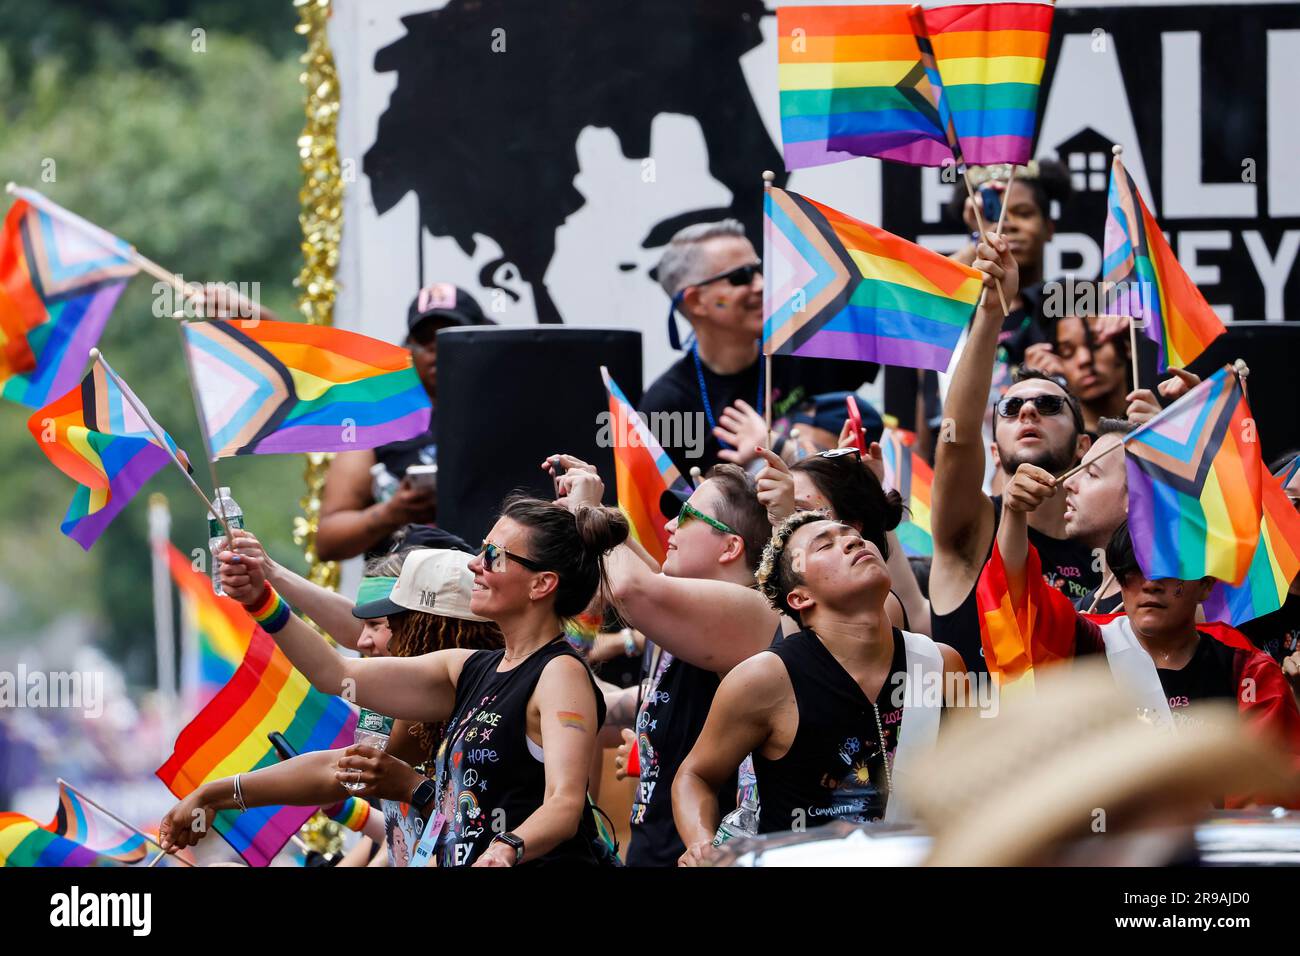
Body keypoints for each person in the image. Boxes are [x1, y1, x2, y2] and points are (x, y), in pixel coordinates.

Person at [210, 495, 624, 866]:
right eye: (481, 550)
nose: (474, 563)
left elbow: (565, 804)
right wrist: (260, 598)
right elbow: (336, 674)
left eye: (494, 555)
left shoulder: (561, 673)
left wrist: (506, 847)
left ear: (542, 584)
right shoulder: (471, 667)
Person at [156, 545, 503, 865]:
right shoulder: (427, 708)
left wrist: (262, 597)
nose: (361, 641)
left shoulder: (467, 688)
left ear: (434, 629)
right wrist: (213, 794)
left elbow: (333, 676)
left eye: (385, 624)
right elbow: (340, 770)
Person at [979, 465, 1300, 805]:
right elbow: (1017, 603)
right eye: (1133, 570)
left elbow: (1264, 798)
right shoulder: (1084, 642)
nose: (1148, 584)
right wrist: (1014, 515)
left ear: (1206, 584)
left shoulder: (1246, 670)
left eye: (1168, 571)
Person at [672, 511, 967, 863]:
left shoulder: (941, 665)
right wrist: (701, 843)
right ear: (799, 598)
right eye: (826, 545)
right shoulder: (766, 679)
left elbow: (979, 778)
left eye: (852, 534)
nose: (854, 541)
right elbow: (695, 775)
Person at [930, 232, 1100, 675]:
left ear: (1085, 445)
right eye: (1010, 408)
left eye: (1048, 405)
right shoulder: (971, 529)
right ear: (993, 447)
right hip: (978, 745)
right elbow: (956, 436)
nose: (1027, 409)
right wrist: (989, 313)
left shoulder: (1113, 546)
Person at [642, 219, 869, 476]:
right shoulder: (667, 405)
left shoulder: (808, 353)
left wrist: (778, 446)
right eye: (741, 277)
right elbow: (662, 511)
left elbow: (855, 468)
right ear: (695, 301)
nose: (761, 285)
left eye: (759, 270)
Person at [316, 284, 491, 561]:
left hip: (491, 584)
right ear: (407, 349)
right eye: (424, 339)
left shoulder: (509, 414)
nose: (436, 347)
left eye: (449, 336)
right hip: (401, 590)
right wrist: (392, 512)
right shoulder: (378, 420)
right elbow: (327, 541)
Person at [1025, 306, 1132, 433]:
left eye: (1095, 343)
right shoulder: (1062, 444)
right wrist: (1032, 390)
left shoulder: (1156, 410)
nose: (1084, 359)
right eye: (1067, 352)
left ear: (1127, 346)